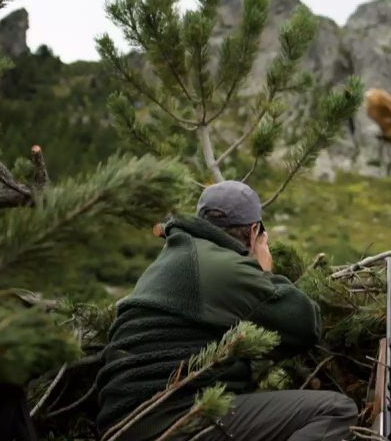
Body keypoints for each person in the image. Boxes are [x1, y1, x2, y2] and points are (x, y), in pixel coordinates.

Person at [96, 180, 358, 441]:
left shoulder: (174, 257)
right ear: (254, 231)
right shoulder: (223, 268)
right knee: (335, 410)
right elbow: (305, 324)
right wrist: (265, 273)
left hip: (129, 422)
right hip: (173, 420)